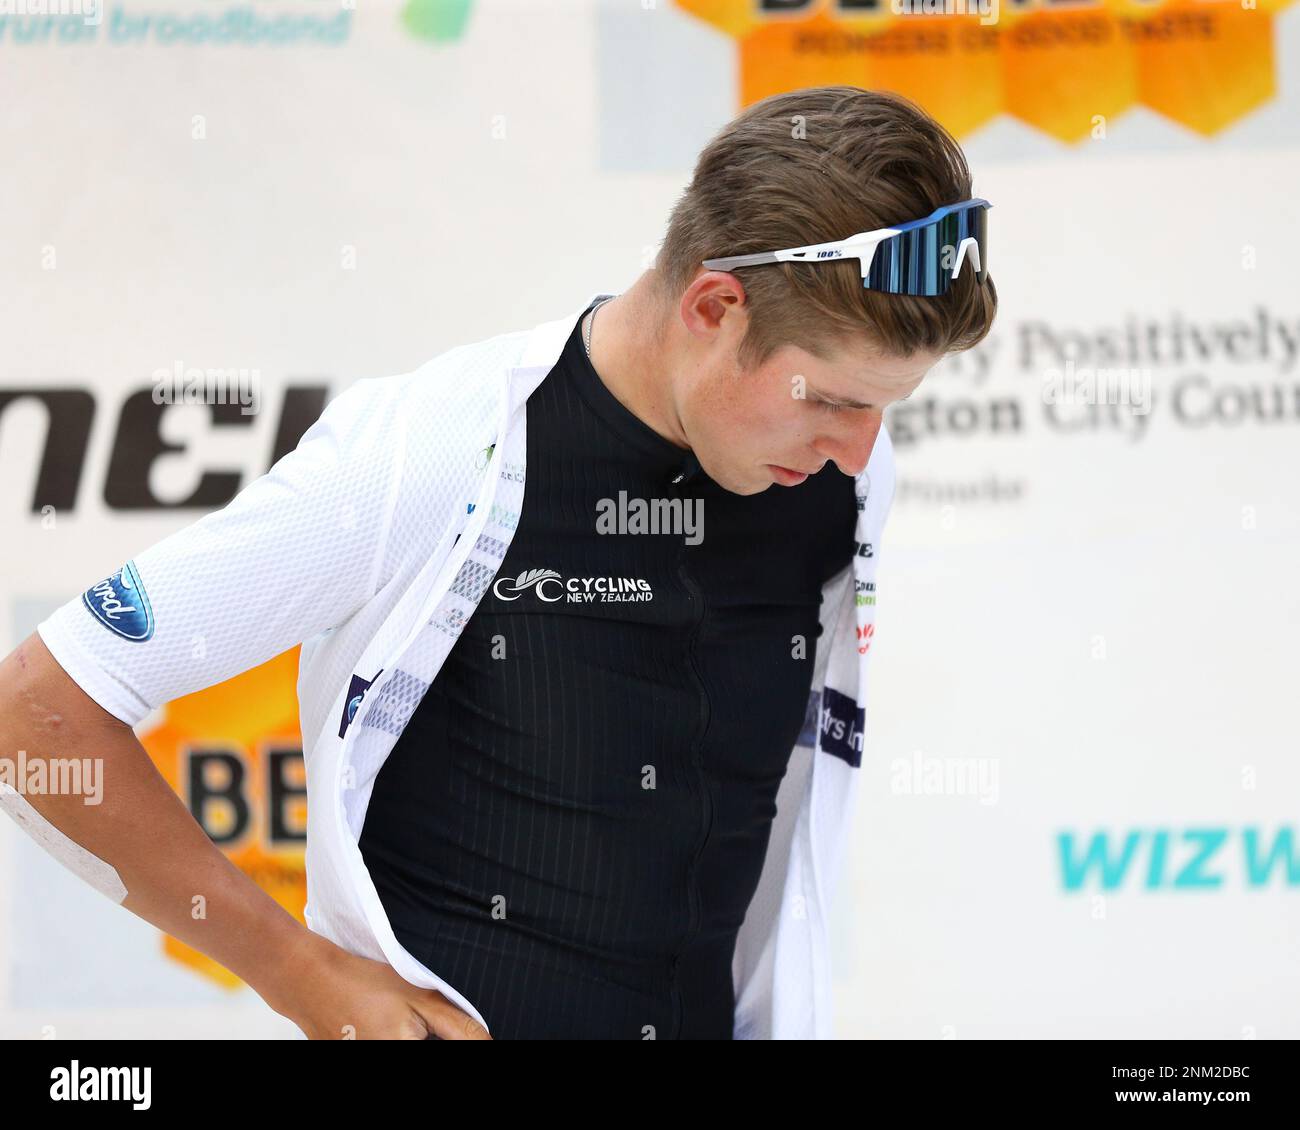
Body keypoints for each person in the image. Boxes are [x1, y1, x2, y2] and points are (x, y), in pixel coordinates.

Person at [0, 85, 996, 1039]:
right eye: (829, 397)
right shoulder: (434, 449)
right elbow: (35, 708)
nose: (859, 446)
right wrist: (291, 967)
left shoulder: (839, 473)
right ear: (712, 307)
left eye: (883, 407)